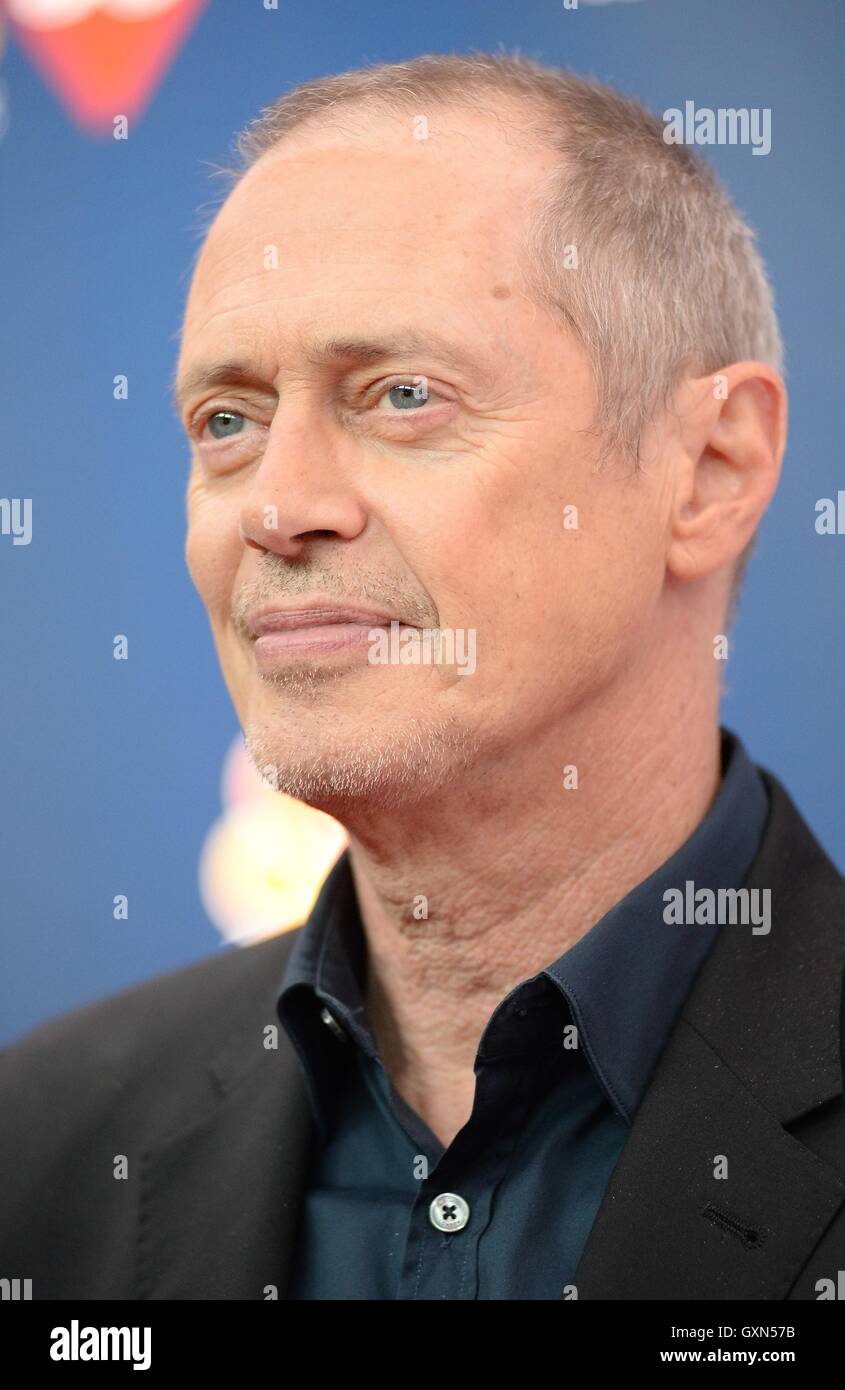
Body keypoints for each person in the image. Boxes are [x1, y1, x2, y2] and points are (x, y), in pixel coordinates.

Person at [2, 52, 843, 1301]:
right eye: (227, 421)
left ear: (708, 470)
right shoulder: (44, 1141)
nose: (276, 508)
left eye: (401, 396)